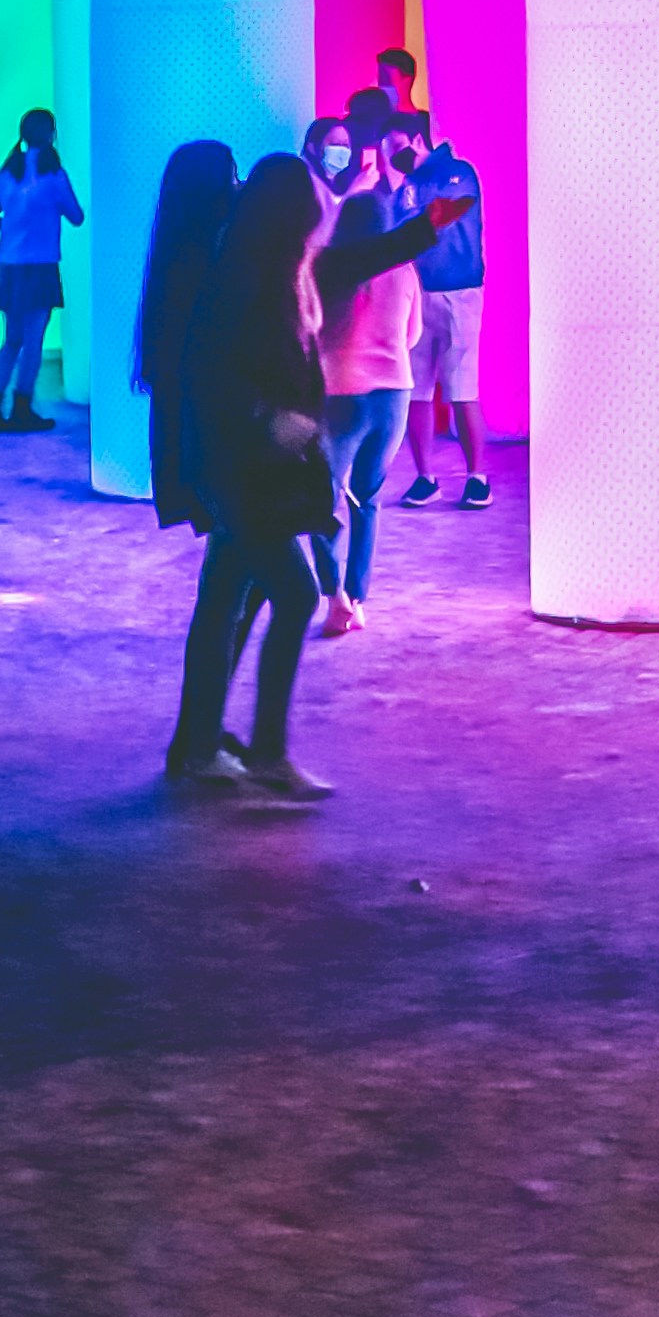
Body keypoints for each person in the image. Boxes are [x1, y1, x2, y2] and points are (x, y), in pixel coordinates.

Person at [165, 147, 458, 800]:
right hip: (241, 470)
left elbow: (367, 257)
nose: (327, 207)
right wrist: (271, 418)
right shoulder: (245, 280)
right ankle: (257, 752)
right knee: (292, 595)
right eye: (315, 200)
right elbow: (209, 371)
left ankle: (199, 747)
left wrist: (429, 223)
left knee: (226, 603)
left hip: (255, 470)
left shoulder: (292, 267)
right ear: (290, 213)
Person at [312, 87, 425, 607]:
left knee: (320, 499)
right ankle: (357, 600)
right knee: (369, 500)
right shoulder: (404, 271)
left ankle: (332, 595)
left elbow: (312, 328)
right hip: (393, 395)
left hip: (339, 392)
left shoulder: (328, 270)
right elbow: (413, 336)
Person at [131, 140, 241, 538]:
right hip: (214, 418)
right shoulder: (210, 257)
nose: (239, 182)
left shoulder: (175, 253)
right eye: (232, 174)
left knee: (233, 547)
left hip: (193, 415)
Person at [392, 113, 495, 512]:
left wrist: (407, 208)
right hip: (417, 293)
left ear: (418, 140)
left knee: (462, 389)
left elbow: (440, 217)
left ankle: (477, 477)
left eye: (397, 145)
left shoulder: (456, 172)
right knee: (416, 390)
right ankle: (424, 477)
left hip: (459, 293)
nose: (391, 153)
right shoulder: (407, 184)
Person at [0, 109, 80, 434]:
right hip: (41, 266)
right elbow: (76, 216)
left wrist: (15, 222)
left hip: (8, 267)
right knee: (33, 342)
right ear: (51, 134)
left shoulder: (5, 175)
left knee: (11, 341)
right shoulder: (55, 177)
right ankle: (23, 408)